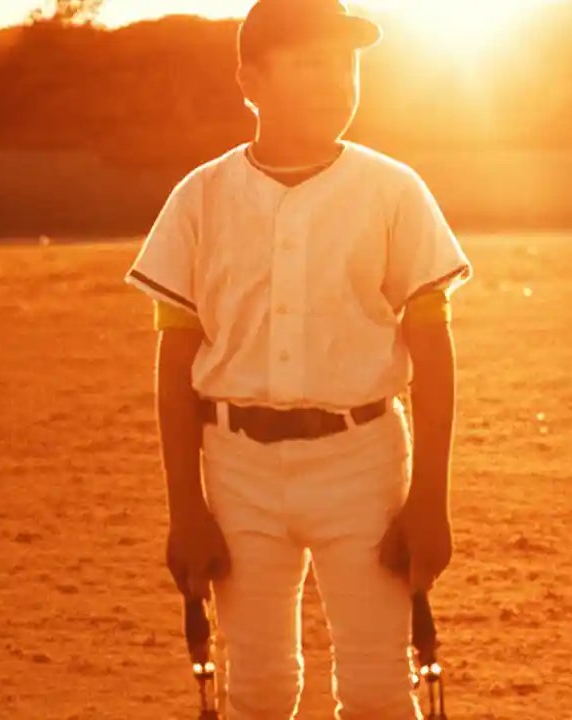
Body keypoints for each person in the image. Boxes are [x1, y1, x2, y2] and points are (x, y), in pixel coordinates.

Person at [124, 1, 472, 717]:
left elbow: (433, 350)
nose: (335, 81)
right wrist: (185, 507)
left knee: (378, 688)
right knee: (258, 687)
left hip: (363, 463)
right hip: (237, 468)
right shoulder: (200, 197)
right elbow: (174, 366)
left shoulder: (392, 189)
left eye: (346, 65)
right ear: (250, 81)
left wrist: (429, 499)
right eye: (311, 64)